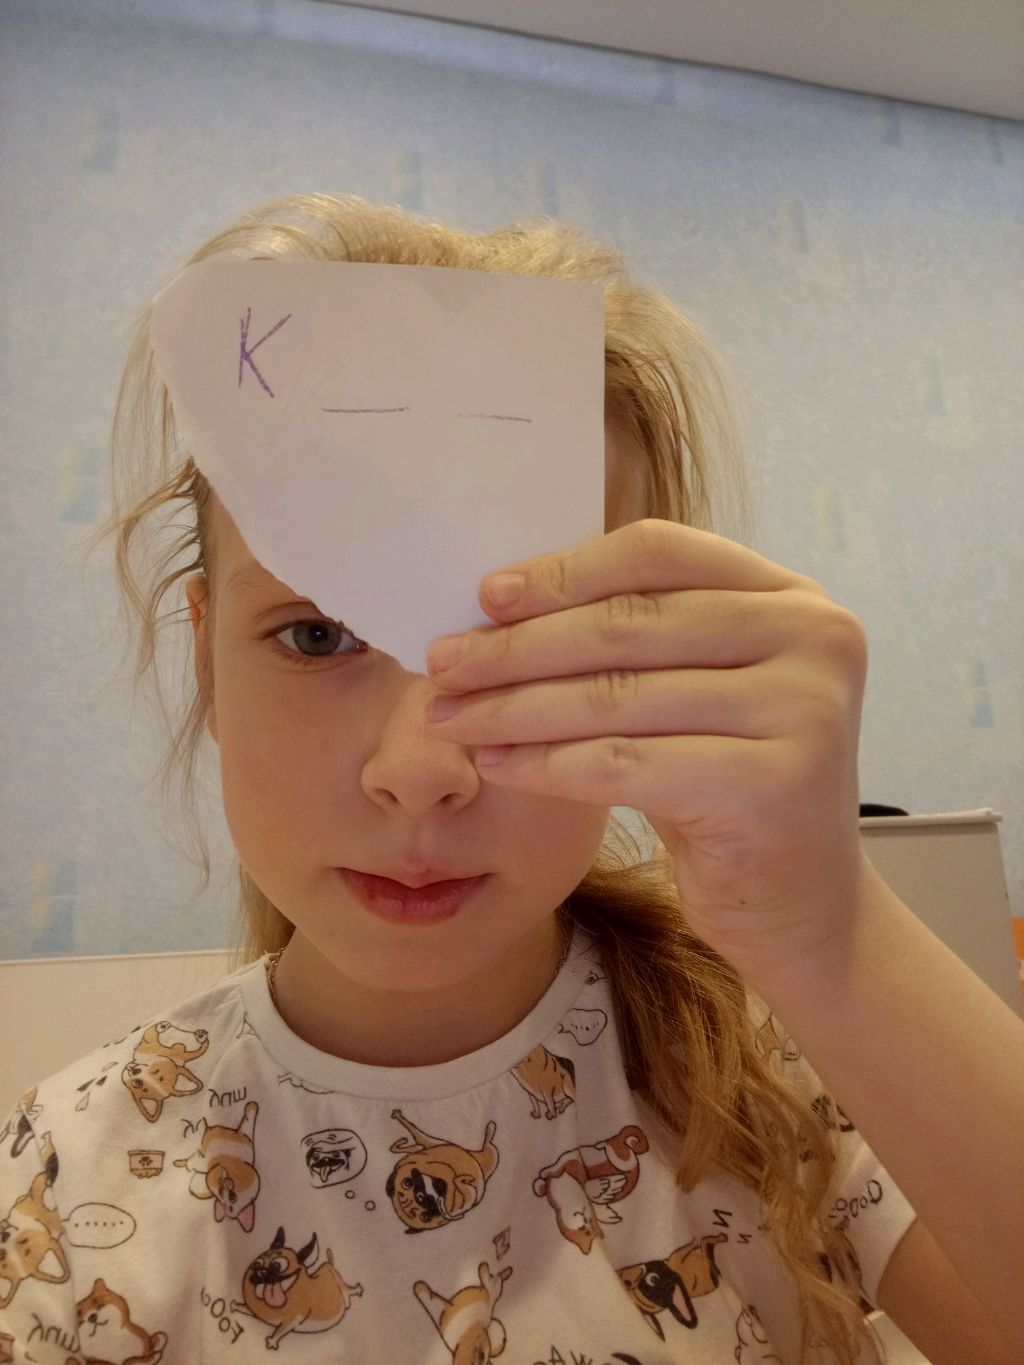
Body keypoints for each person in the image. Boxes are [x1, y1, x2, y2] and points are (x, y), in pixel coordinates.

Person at [1, 194, 1021, 1365]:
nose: (419, 774)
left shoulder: (779, 1072)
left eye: (536, 645)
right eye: (317, 636)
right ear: (204, 658)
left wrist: (827, 929)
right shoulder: (74, 1182)